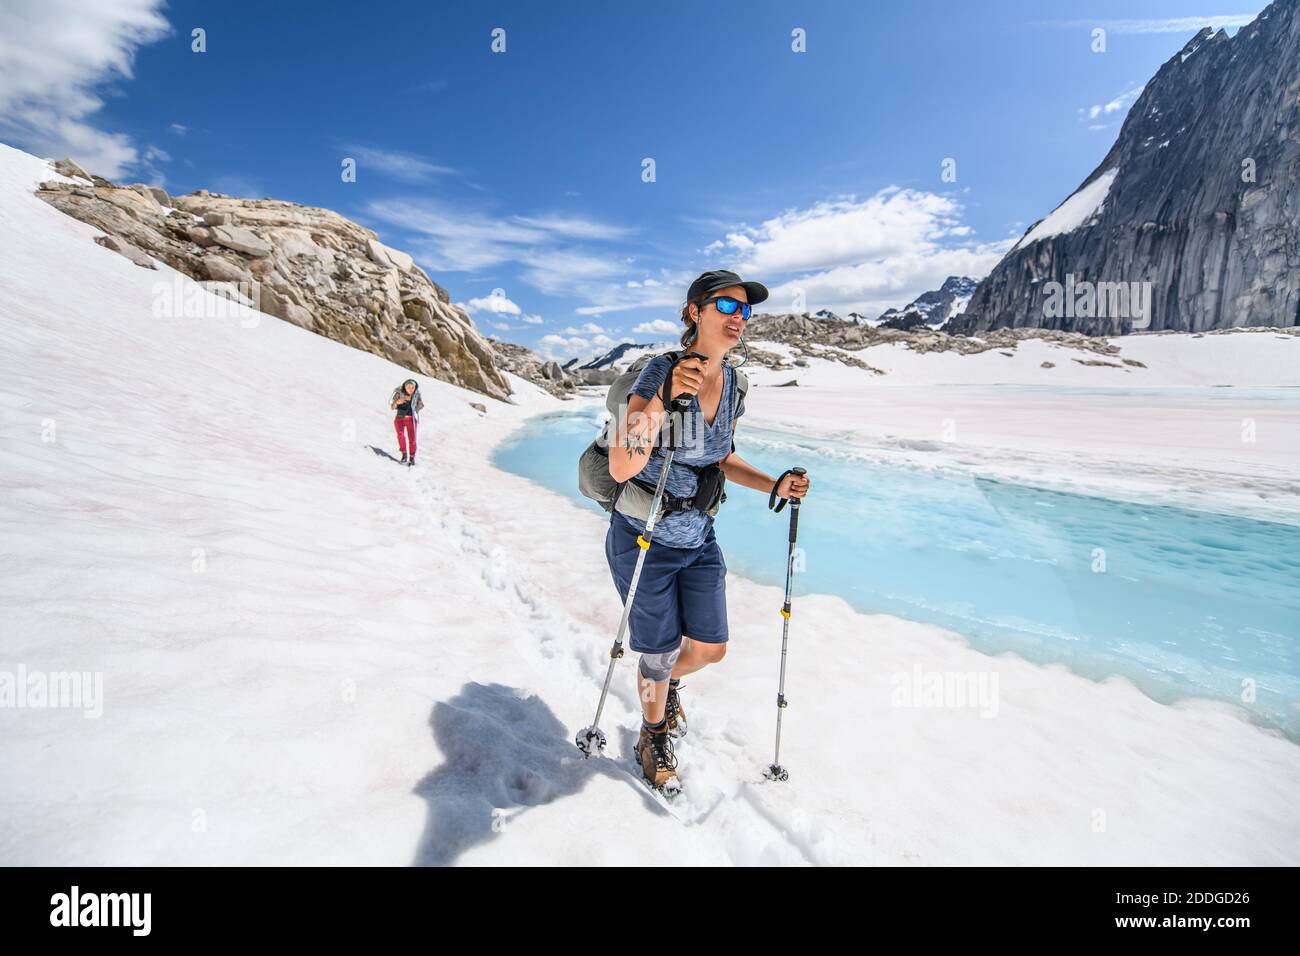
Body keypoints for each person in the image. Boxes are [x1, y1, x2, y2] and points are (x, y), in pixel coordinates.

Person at [606, 270, 811, 791]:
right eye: (726, 305)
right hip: (644, 536)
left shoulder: (736, 383)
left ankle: (664, 685)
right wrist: (665, 396)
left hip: (698, 537)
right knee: (656, 654)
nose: (739, 317)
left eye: (745, 310)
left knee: (710, 647)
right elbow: (623, 466)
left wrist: (774, 484)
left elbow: (720, 457)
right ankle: (652, 734)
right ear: (694, 312)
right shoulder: (660, 371)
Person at [390, 379, 424, 465]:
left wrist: (420, 405)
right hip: (399, 419)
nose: (410, 389)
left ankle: (412, 457)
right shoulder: (399, 394)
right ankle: (404, 454)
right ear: (404, 387)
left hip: (411, 419)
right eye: (408, 387)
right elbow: (392, 407)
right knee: (400, 436)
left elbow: (420, 406)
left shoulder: (416, 395)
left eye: (412, 387)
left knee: (412, 439)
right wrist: (397, 402)